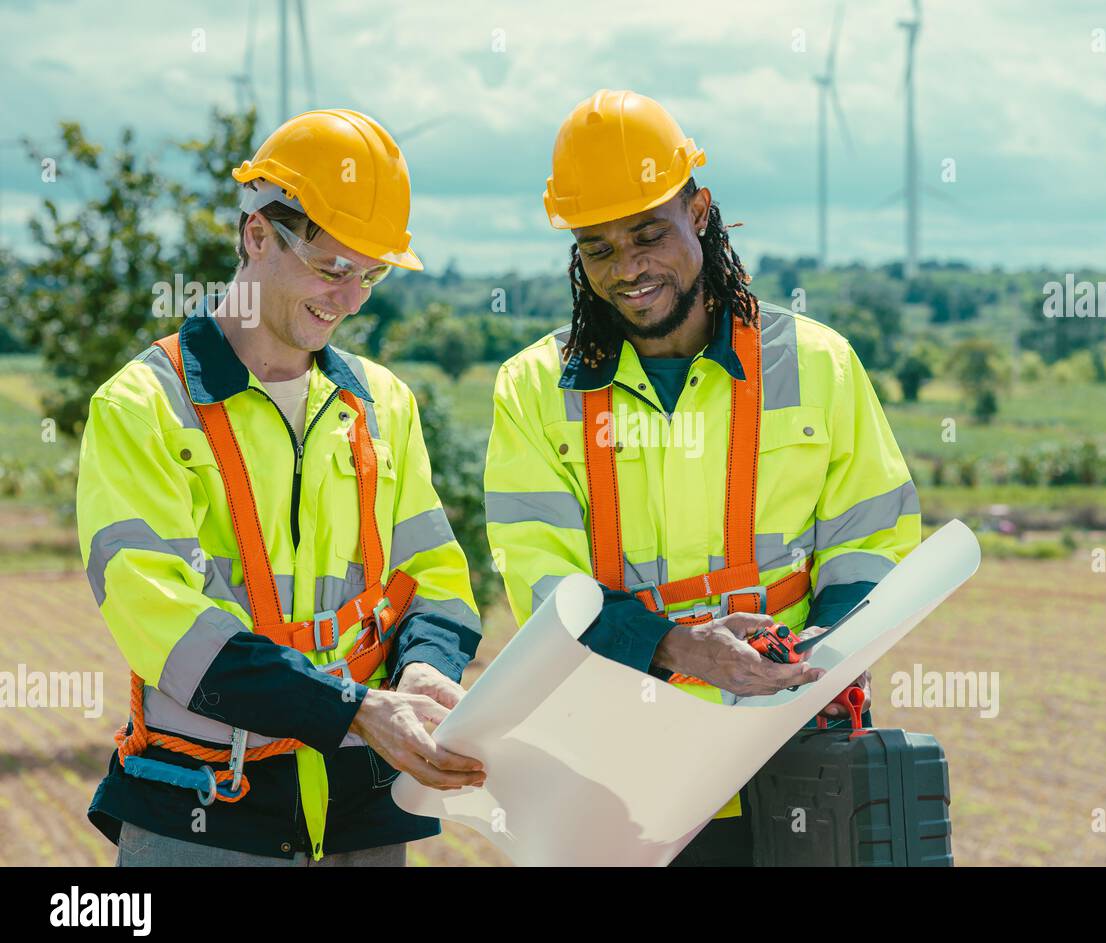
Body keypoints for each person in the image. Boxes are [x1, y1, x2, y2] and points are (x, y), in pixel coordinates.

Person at [484, 90, 921, 866]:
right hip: (624, 779)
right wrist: (687, 652)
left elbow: (873, 544)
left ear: (701, 209)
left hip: (797, 760)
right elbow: (550, 593)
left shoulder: (816, 363)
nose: (628, 269)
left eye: (649, 235)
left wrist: (807, 659)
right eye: (599, 249)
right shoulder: (533, 390)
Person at [78, 109, 484, 866]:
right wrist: (353, 709)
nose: (353, 298)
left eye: (371, 275)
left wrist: (425, 666)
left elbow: (436, 577)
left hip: (366, 808)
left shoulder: (383, 403)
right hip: (204, 809)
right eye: (334, 268)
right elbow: (159, 618)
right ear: (257, 236)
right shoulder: (143, 406)